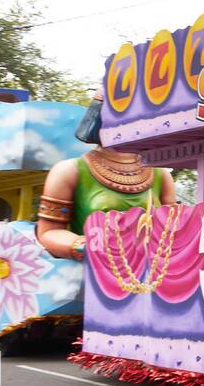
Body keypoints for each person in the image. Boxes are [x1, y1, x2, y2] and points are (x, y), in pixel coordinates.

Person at [36, 92, 175, 260]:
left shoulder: (160, 174)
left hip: (152, 274)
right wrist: (85, 247)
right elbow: (49, 232)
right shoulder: (69, 171)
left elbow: (172, 229)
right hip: (93, 276)